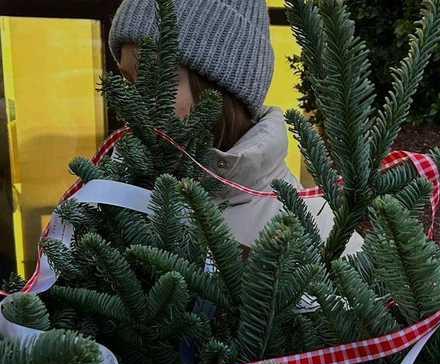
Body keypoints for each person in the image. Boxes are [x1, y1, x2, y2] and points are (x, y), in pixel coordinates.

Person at [109, 0, 363, 253]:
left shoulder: (322, 239)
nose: (133, 102)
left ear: (219, 88)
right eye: (128, 82)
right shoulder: (112, 198)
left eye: (155, 80)